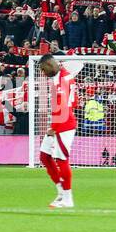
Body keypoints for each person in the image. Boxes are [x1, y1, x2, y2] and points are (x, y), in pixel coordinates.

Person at [38, 54, 77, 209]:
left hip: (63, 124)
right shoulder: (65, 76)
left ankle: (68, 198)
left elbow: (62, 106)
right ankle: (61, 192)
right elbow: (74, 102)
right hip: (60, 123)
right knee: (44, 156)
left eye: (43, 69)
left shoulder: (61, 81)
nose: (43, 73)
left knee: (62, 160)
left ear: (49, 64)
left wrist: (54, 128)